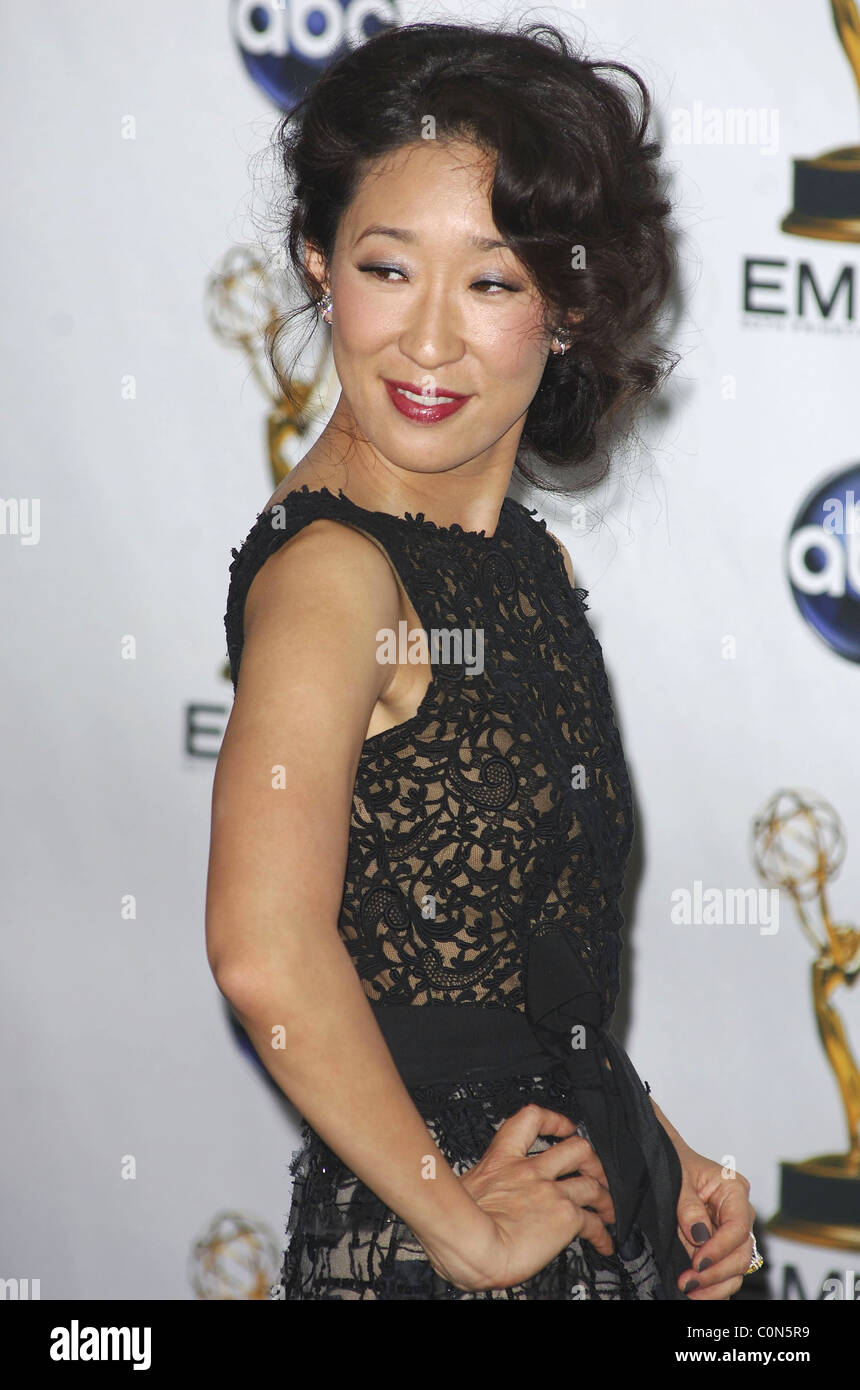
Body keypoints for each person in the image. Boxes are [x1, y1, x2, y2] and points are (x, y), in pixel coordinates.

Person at [206, 19, 758, 1300]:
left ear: (565, 306)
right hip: (426, 1257)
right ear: (318, 266)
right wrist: (460, 1225)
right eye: (388, 268)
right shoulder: (335, 577)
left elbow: (517, 985)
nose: (431, 342)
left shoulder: (527, 563)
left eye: (494, 282)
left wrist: (660, 1157)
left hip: (580, 1225)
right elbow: (261, 946)